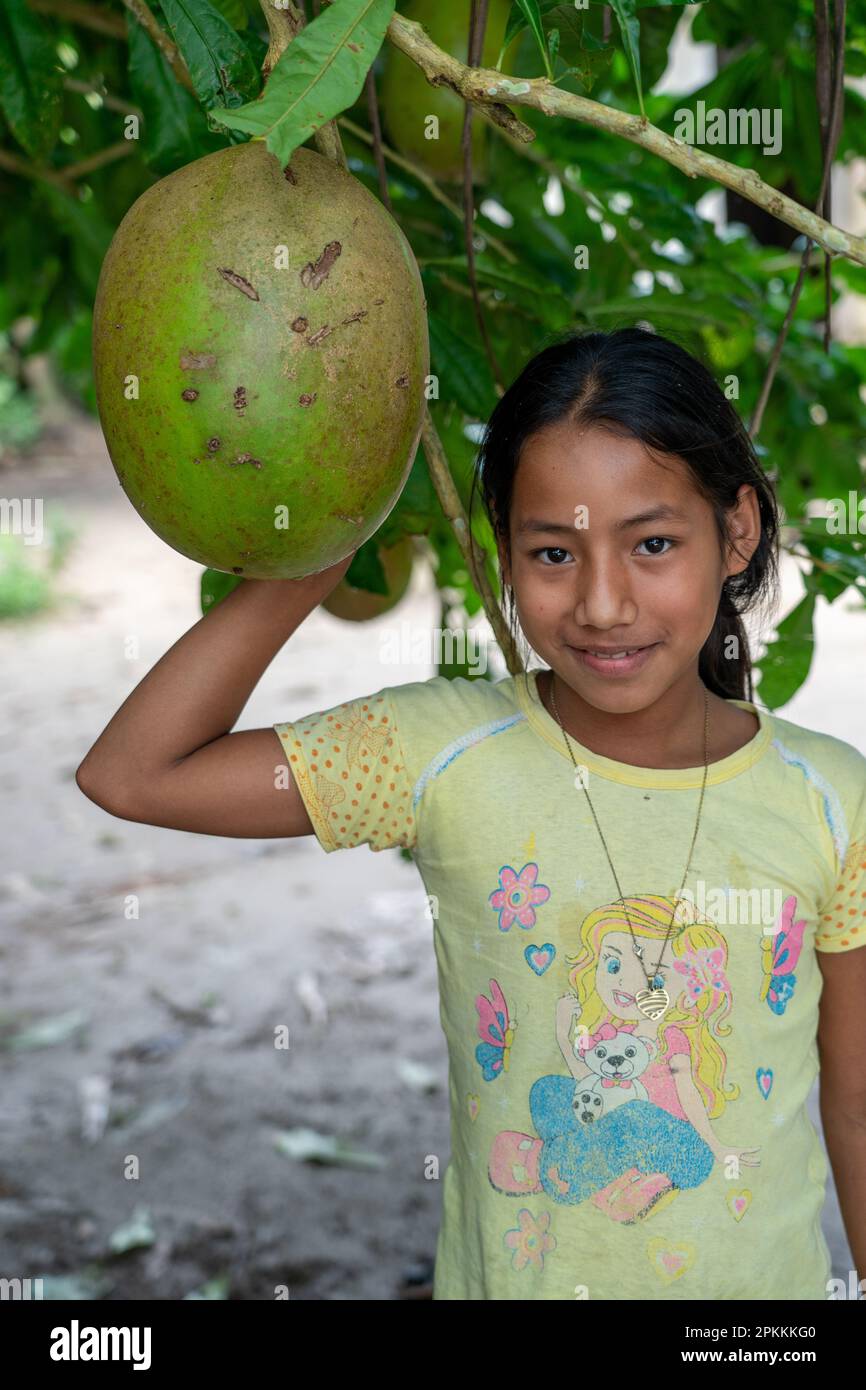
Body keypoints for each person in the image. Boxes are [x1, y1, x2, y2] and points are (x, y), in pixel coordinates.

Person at [76, 325, 866, 1301]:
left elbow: (856, 1109)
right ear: (502, 554)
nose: (602, 603)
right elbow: (134, 774)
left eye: (651, 543)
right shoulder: (439, 754)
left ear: (736, 530)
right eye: (550, 552)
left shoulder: (832, 800)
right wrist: (322, 546)